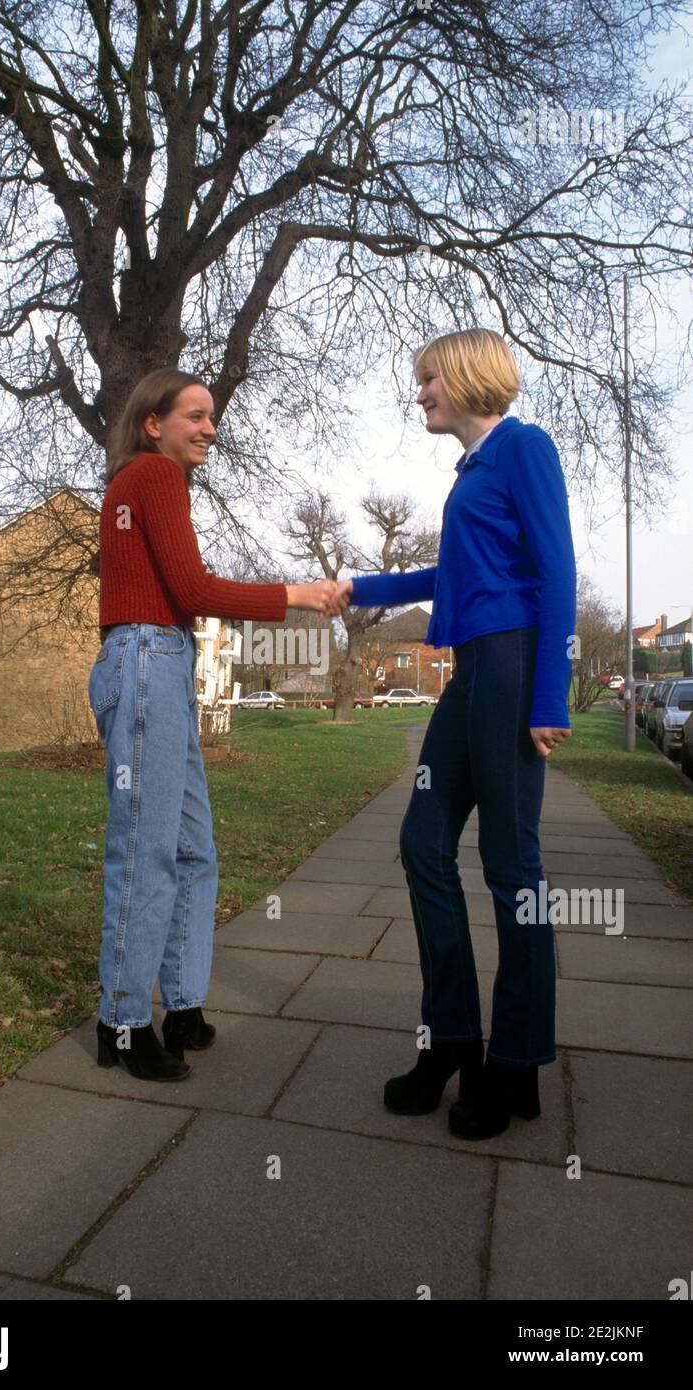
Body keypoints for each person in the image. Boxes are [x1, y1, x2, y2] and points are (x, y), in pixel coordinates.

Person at [326, 328, 577, 1139]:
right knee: (424, 845)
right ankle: (453, 1039)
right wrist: (357, 586)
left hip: (511, 670)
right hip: (470, 673)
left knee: (512, 866)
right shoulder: (471, 472)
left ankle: (516, 1061)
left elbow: (560, 570)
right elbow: (452, 577)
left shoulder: (524, 448)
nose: (421, 392)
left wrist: (550, 698)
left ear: (467, 377)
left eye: (427, 377)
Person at [89, 367, 336, 1082]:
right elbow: (194, 590)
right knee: (147, 852)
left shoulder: (137, 483)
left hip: (157, 661)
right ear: (153, 423)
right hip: (146, 661)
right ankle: (125, 1023)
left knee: (194, 848)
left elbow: (178, 592)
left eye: (213, 418)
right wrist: (297, 594)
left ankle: (184, 1004)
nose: (209, 428)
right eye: (194, 415)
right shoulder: (155, 476)